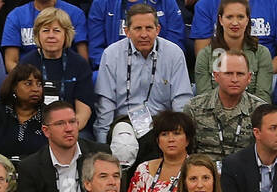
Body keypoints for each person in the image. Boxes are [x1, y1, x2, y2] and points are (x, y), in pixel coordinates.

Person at [93, 4, 193, 166]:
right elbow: (106, 103)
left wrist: (179, 133)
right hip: (124, 121)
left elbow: (181, 100)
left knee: (162, 140)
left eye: (149, 28)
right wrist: (102, 143)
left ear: (158, 29)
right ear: (127, 31)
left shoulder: (174, 54)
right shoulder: (111, 54)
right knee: (124, 144)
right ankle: (124, 189)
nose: (144, 34)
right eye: (138, 28)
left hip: (162, 121)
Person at [16, 100, 107, 192]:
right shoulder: (30, 168)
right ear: (46, 131)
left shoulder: (99, 155)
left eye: (72, 122)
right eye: (60, 124)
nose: (69, 128)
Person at [18, 7, 95, 131]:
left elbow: (83, 112)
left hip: (71, 129)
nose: (51, 36)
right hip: (34, 128)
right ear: (37, 34)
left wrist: (66, 130)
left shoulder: (79, 64)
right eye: (46, 31)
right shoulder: (26, 64)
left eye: (57, 31)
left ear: (66, 34)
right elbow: (22, 107)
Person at [193, 0, 275, 104]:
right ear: (220, 20)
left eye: (240, 17)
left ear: (247, 20)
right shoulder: (205, 55)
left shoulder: (262, 53)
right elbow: (204, 99)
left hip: (252, 115)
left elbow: (263, 99)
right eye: (229, 17)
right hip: (213, 116)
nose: (235, 23)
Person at [123, 108, 191, 192]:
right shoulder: (143, 169)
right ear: (158, 141)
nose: (171, 139)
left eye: (177, 133)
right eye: (164, 134)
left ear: (187, 140)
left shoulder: (197, 169)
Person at [187, 48, 259, 159]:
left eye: (240, 74)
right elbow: (187, 153)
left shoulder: (260, 110)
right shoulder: (194, 108)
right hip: (204, 172)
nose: (234, 79)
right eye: (228, 73)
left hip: (245, 173)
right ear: (216, 76)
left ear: (249, 77)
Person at [191, 0, 277, 73]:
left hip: (266, 71)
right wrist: (229, 75)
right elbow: (202, 51)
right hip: (220, 73)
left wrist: (263, 73)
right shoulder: (205, 4)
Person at [85, 0, 185, 68]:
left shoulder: (166, 2)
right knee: (96, 78)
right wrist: (115, 69)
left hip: (159, 66)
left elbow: (175, 43)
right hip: (115, 67)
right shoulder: (101, 3)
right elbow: (96, 49)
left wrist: (154, 67)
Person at [0, 63, 48, 161]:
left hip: (37, 173)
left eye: (39, 84)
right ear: (14, 87)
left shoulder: (48, 115)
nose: (36, 89)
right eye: (28, 83)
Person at [2, 0, 89, 70]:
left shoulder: (75, 13)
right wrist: (31, 81)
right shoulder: (15, 16)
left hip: (66, 75)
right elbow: (11, 62)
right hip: (28, 77)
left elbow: (83, 59)